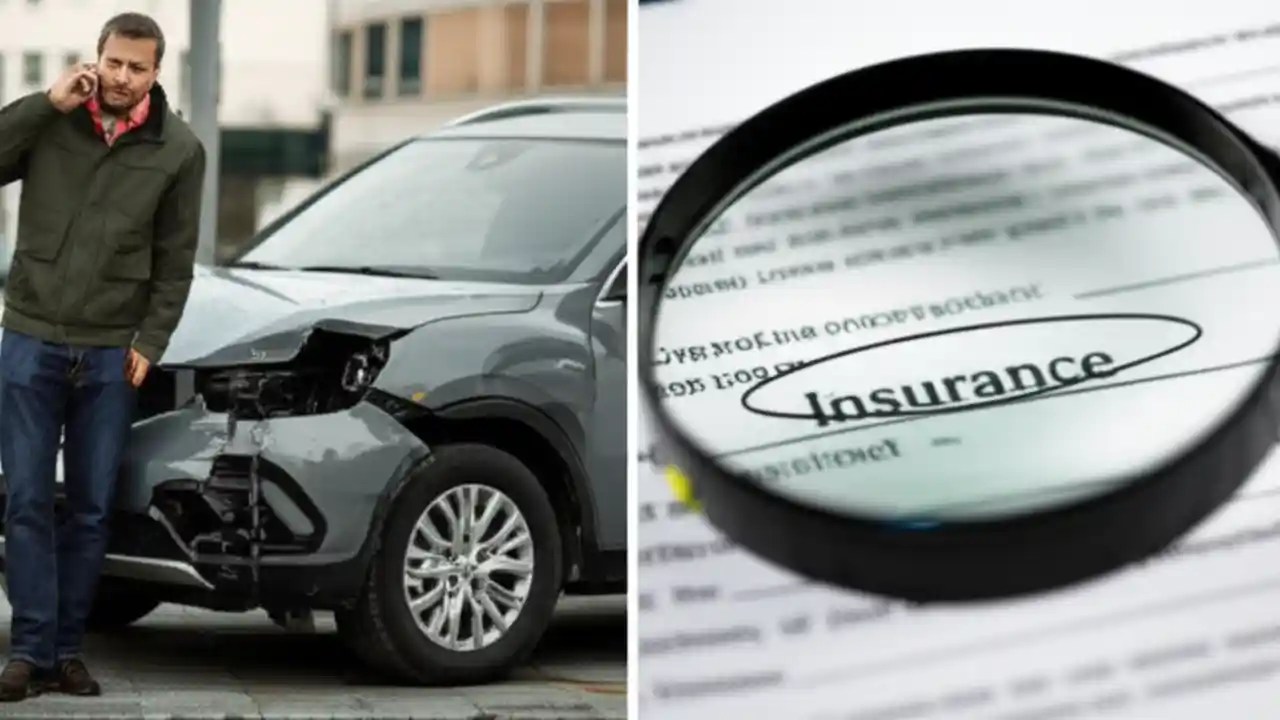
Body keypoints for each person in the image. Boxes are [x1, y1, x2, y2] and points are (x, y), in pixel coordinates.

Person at [0, 12, 204, 700]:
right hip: (31, 338)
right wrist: (41, 105)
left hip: (114, 353)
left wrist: (151, 341)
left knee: (90, 507)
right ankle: (27, 651)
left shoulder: (179, 150)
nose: (122, 78)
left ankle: (66, 652)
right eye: (114, 64)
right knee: (26, 500)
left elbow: (176, 264)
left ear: (155, 71)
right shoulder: (52, 122)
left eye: (137, 68)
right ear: (98, 59)